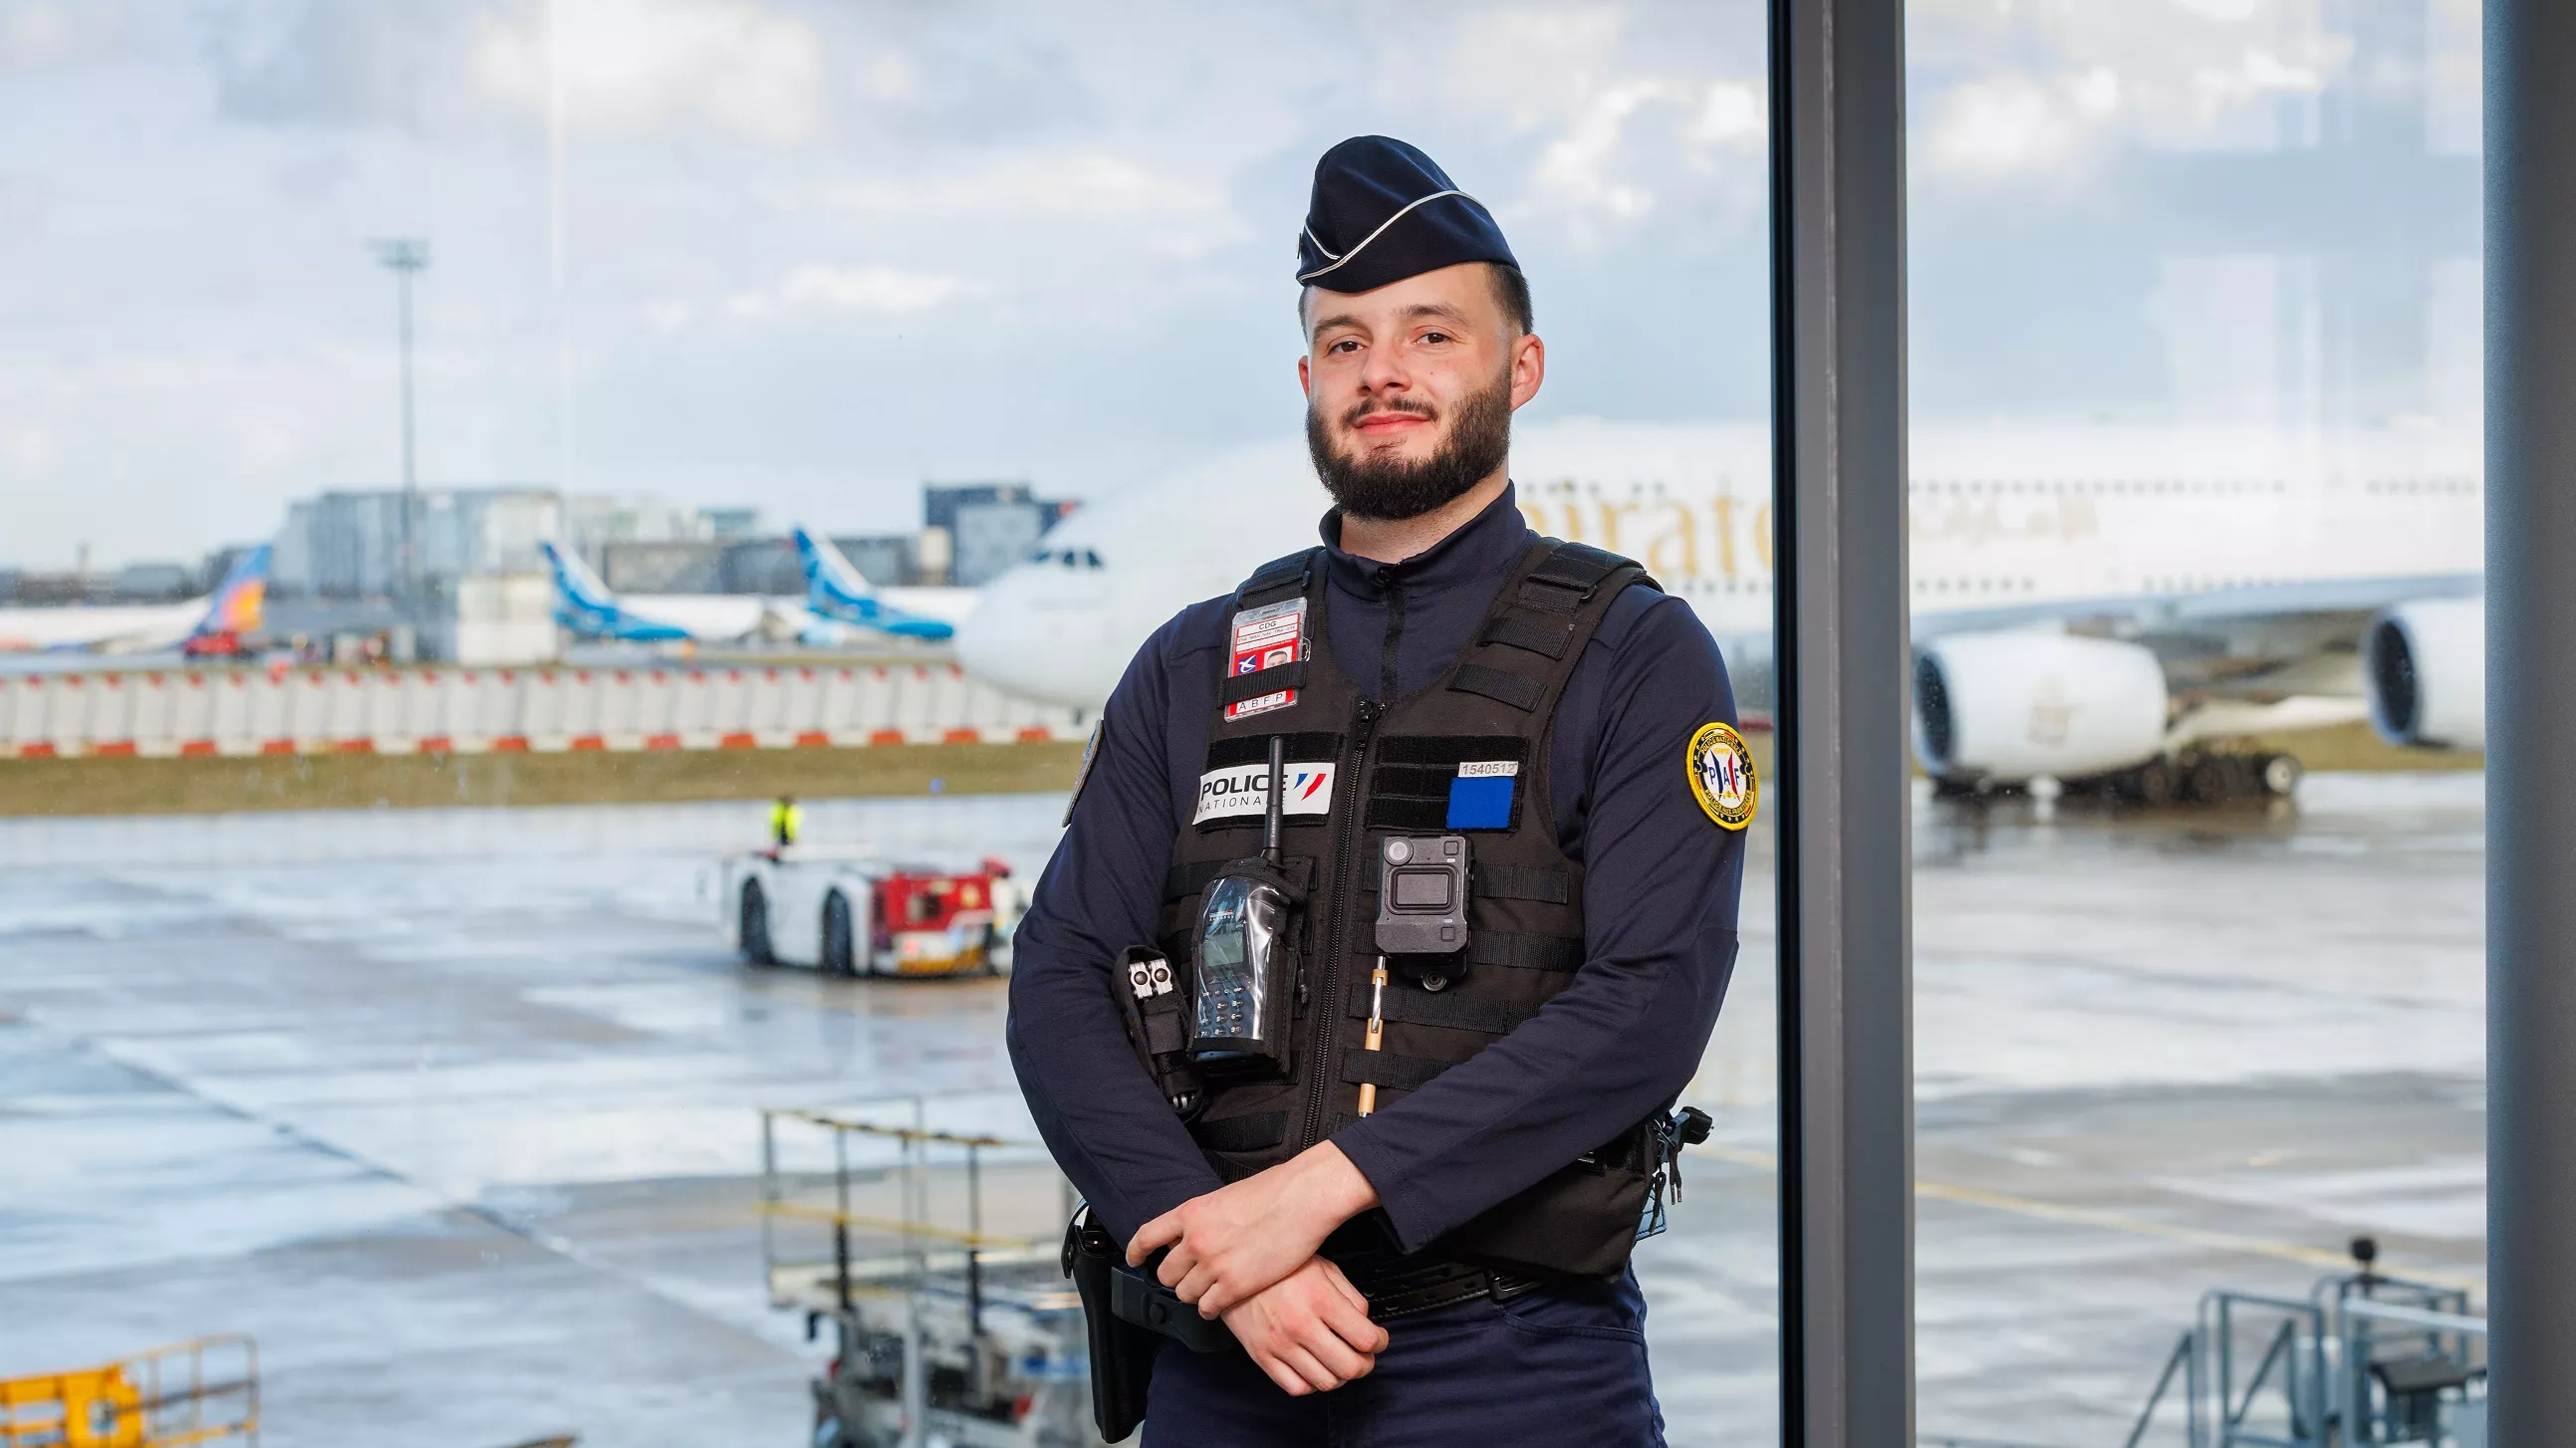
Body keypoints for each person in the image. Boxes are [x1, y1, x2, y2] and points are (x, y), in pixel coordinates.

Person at [1008, 135, 1749, 1445]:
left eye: (1430, 334)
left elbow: (1649, 1000)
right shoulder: (1194, 664)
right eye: (1344, 342)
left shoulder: (1631, 653)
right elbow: (1061, 978)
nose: (1383, 372)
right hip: (1230, 1354)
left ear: (1520, 367)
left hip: (1516, 1366)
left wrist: (1313, 1194)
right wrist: (1214, 1242)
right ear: (1308, 379)